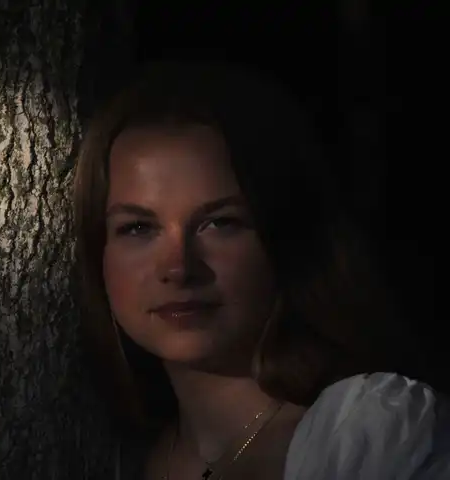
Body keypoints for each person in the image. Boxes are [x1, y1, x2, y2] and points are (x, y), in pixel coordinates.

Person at [72, 60, 449, 480]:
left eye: (220, 223)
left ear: (286, 237)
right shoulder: (108, 455)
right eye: (138, 228)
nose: (178, 268)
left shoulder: (366, 434)